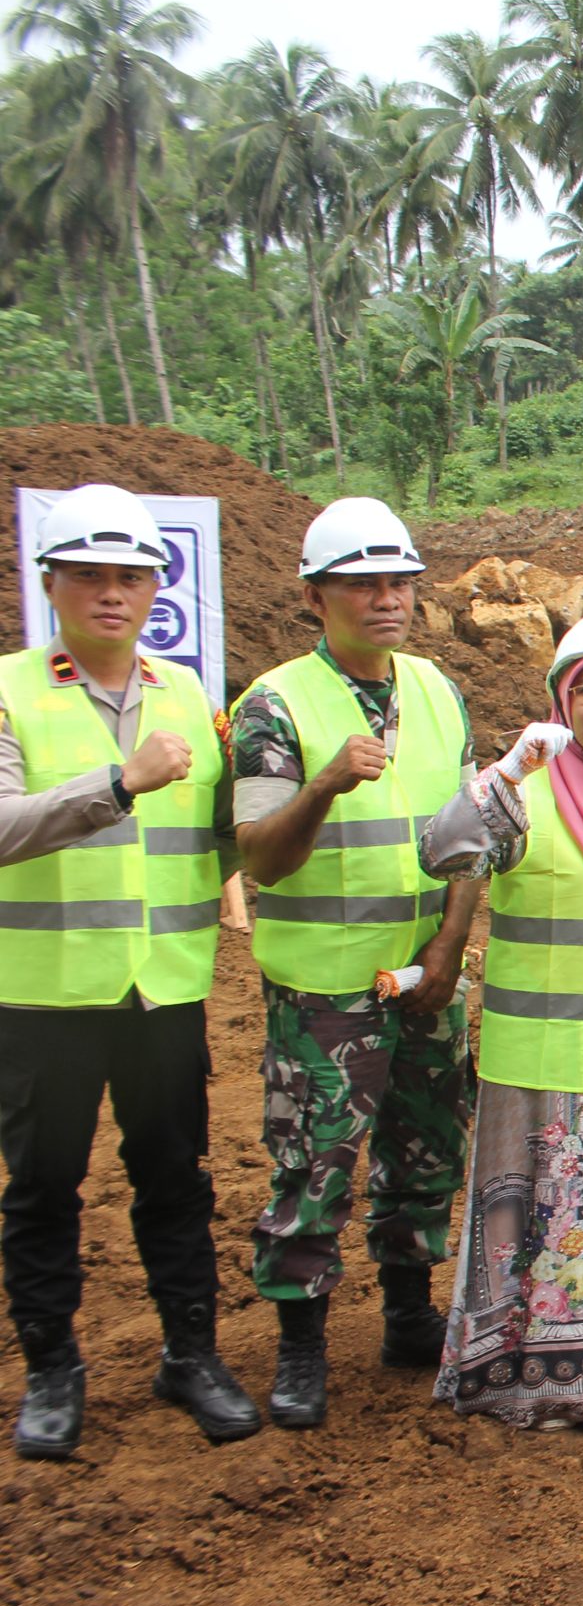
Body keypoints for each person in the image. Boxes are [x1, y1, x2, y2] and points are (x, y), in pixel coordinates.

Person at [1, 484, 260, 1458]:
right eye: (90, 576)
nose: (113, 593)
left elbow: (223, 832)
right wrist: (117, 783)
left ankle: (190, 1355)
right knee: (43, 1188)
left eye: (131, 577)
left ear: (158, 586)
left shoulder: (189, 695)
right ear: (52, 584)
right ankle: (52, 1373)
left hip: (164, 989)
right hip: (46, 995)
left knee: (174, 1180)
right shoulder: (12, 691)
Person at [234, 497, 480, 1429]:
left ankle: (408, 1316)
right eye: (362, 584)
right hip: (326, 990)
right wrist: (325, 783)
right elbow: (261, 856)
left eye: (399, 583)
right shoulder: (274, 704)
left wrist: (449, 946)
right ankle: (301, 1343)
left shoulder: (437, 689)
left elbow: (468, 835)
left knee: (426, 1151)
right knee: (316, 1164)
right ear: (315, 597)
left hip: (423, 976)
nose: (387, 599)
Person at [418, 612, 583, 1433]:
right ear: (561, 701)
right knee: (542, 1228)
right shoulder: (524, 790)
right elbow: (441, 850)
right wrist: (506, 772)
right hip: (539, 1064)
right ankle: (531, 1381)